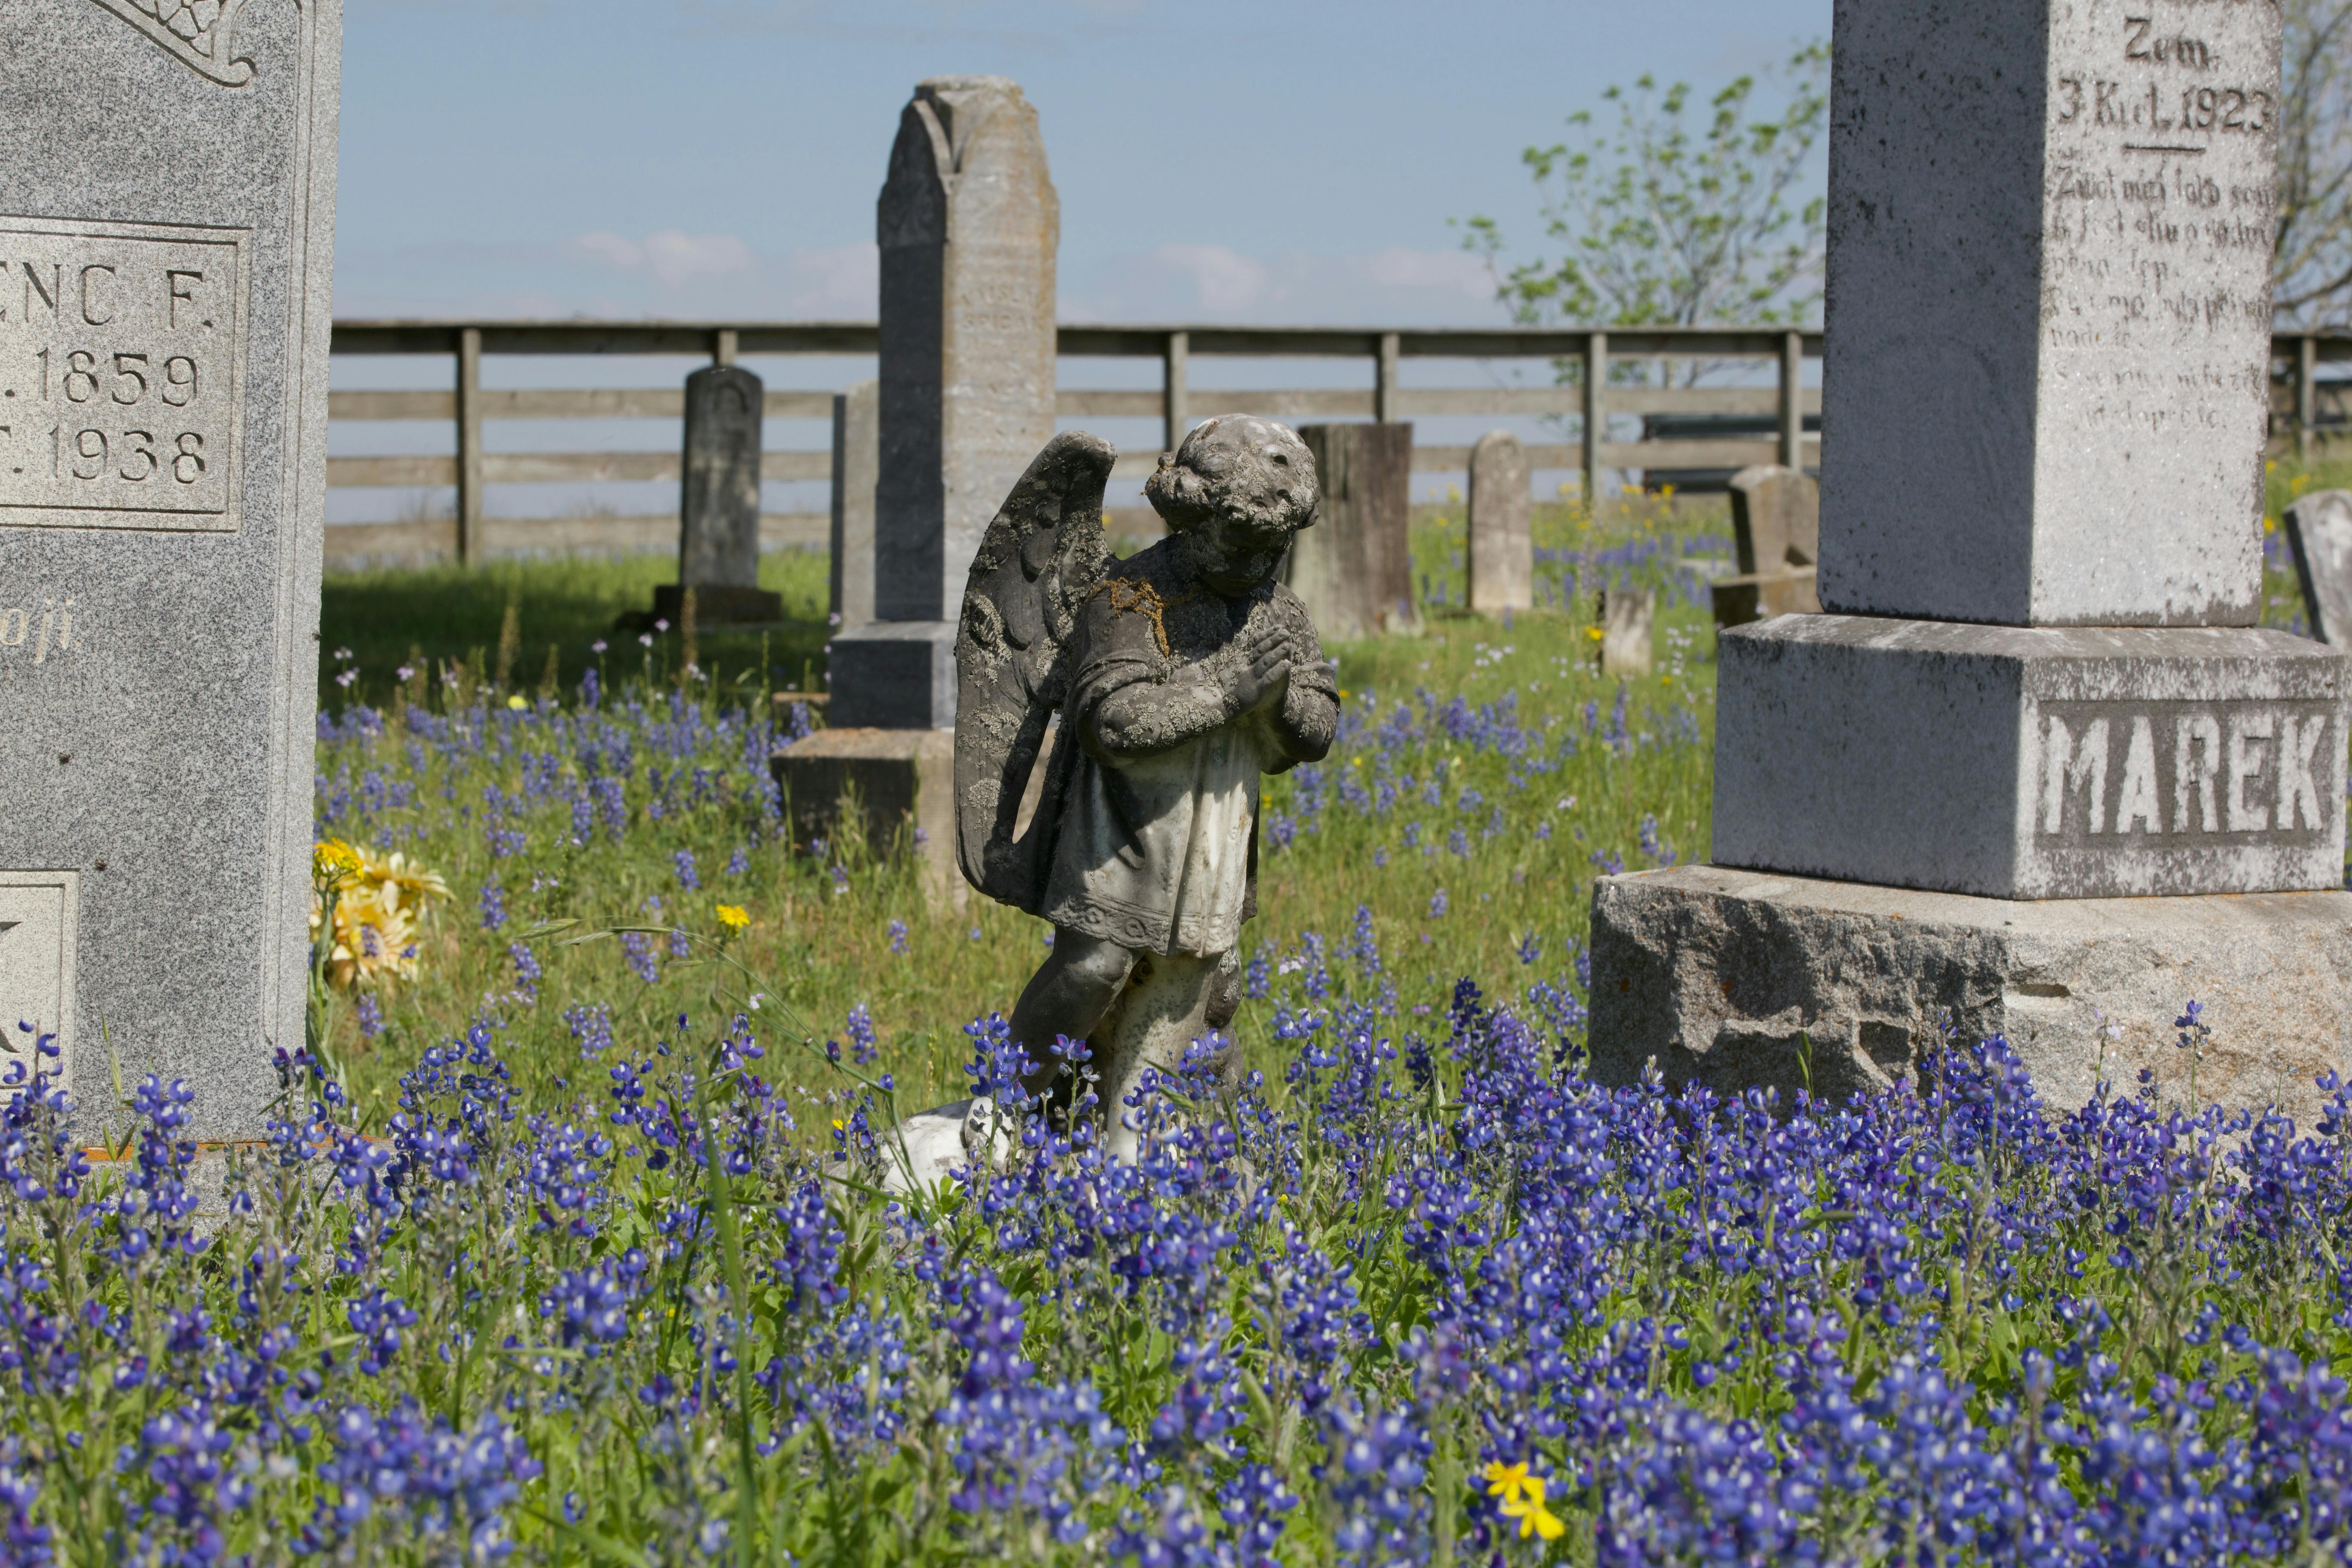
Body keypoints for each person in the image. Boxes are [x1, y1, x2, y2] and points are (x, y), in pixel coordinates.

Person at [1005, 416, 1339, 1134]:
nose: (1260, 562)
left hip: (1214, 841)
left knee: (1191, 987)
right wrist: (1223, 692)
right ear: (1193, 521)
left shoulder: (1278, 608)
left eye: (1276, 546)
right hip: (1123, 833)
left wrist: (1279, 704)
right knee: (1095, 967)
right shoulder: (1132, 595)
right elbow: (1111, 721)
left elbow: (1317, 726)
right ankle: (1009, 1100)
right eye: (1242, 542)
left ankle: (1132, 1139)